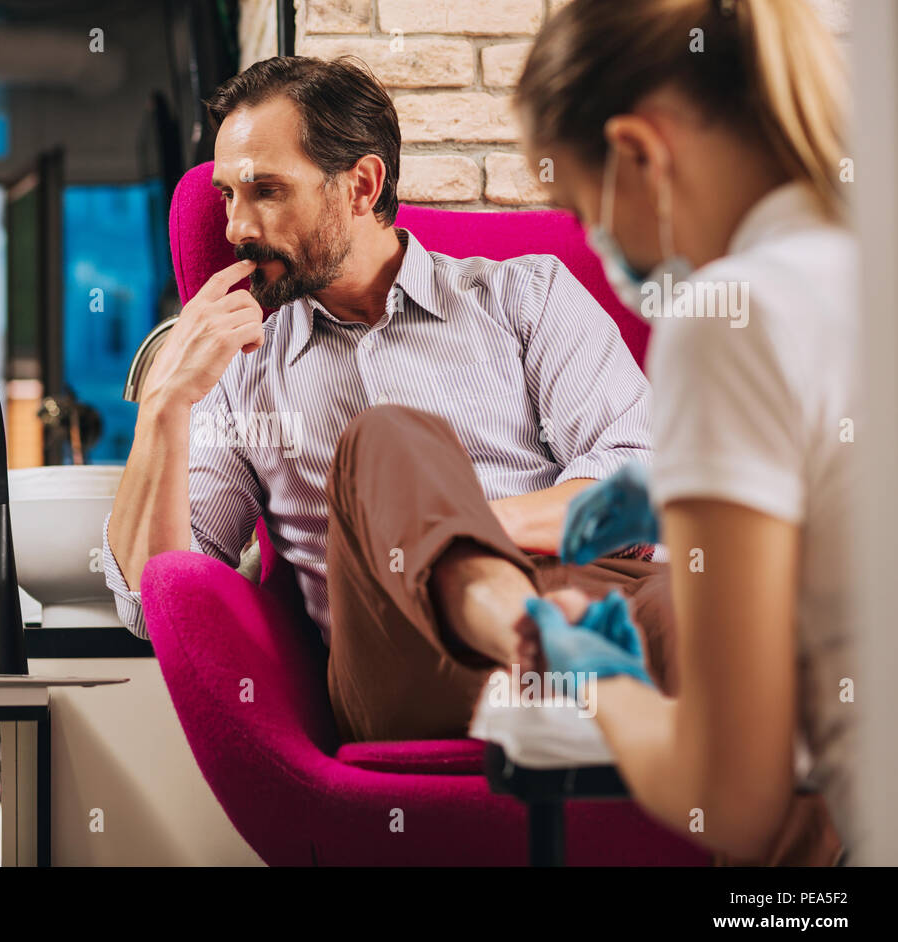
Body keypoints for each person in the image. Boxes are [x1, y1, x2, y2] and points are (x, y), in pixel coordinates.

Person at [106, 56, 659, 793]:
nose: (237, 226)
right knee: (386, 439)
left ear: (362, 185)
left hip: (602, 605)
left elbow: (636, 479)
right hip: (405, 653)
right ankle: (533, 645)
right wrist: (166, 403)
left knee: (780, 605)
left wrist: (434, 524)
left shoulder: (527, 296)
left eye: (267, 191)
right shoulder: (237, 368)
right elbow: (157, 599)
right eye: (229, 195)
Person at [515, 0, 857, 864]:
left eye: (579, 204)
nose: (596, 242)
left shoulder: (728, 314)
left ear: (636, 152)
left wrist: (604, 687)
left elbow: (730, 801)